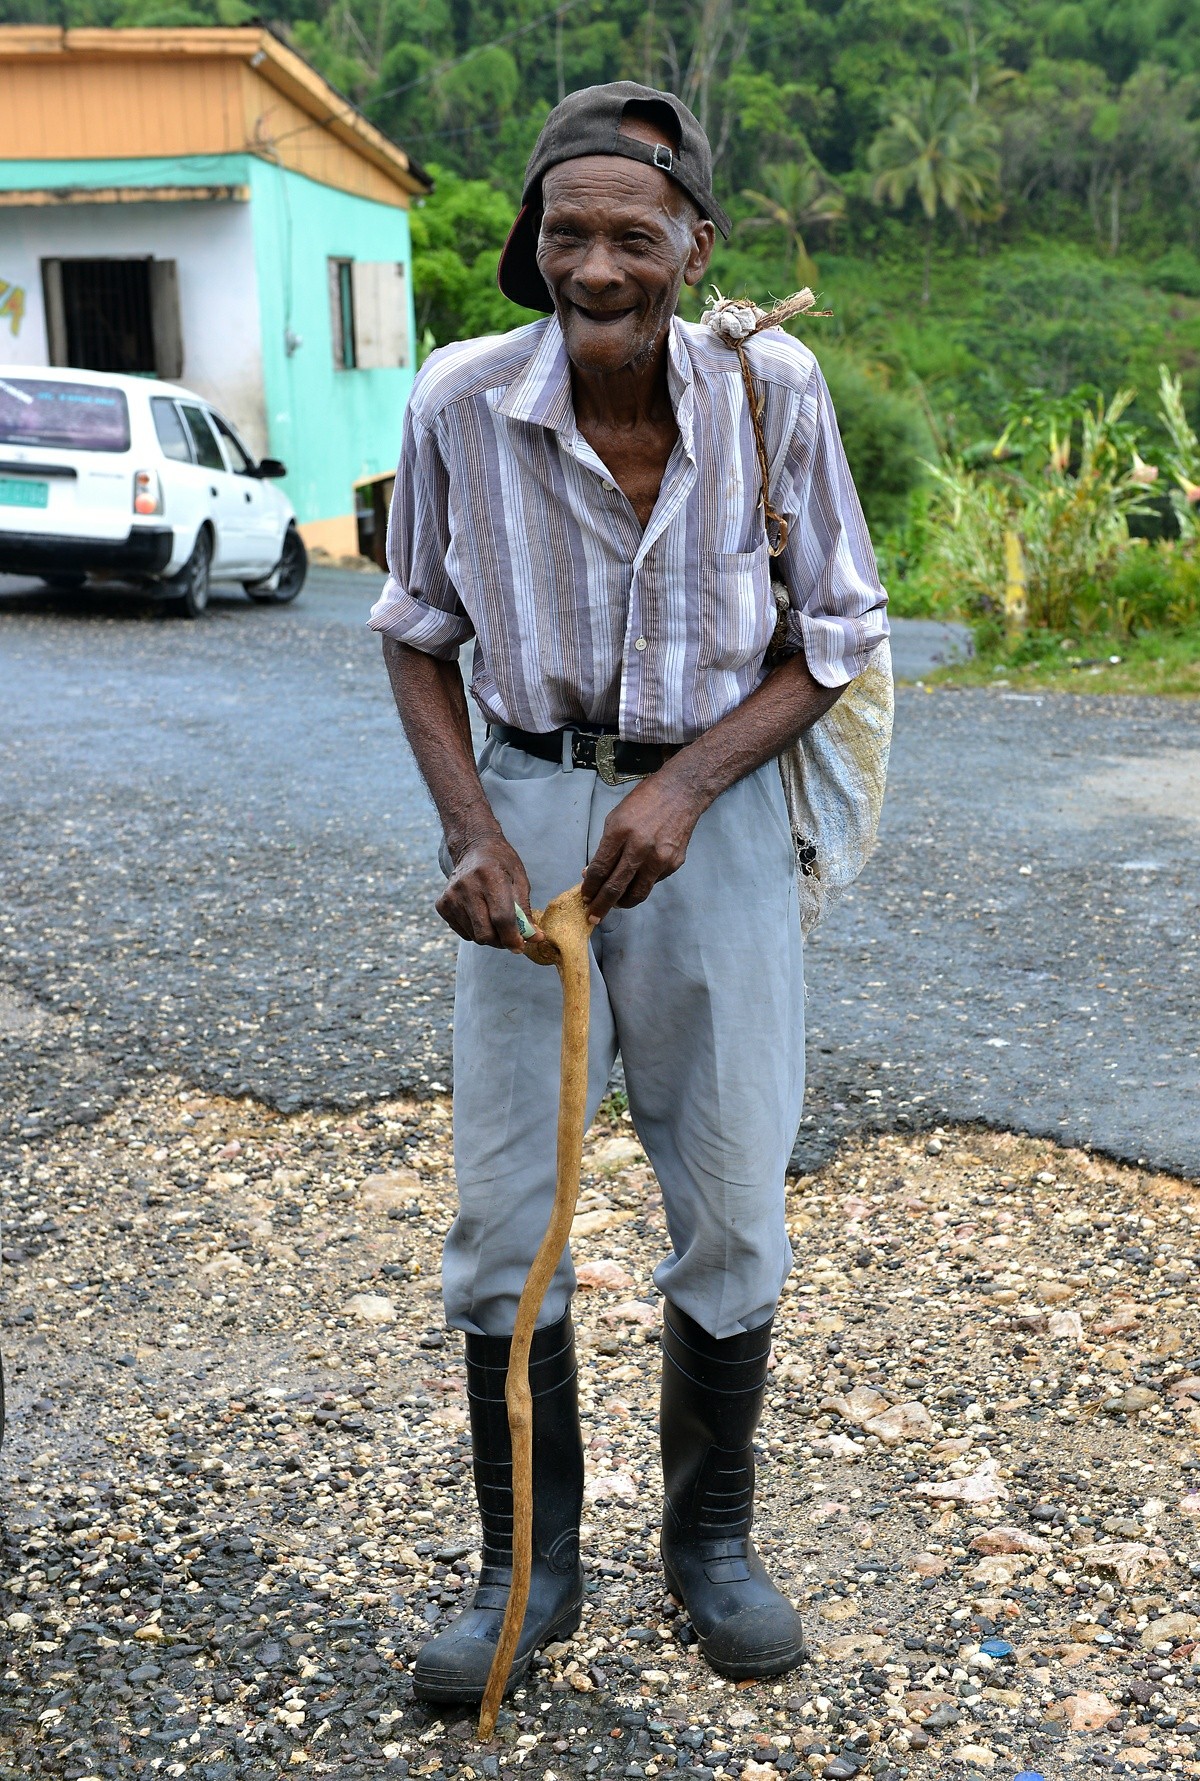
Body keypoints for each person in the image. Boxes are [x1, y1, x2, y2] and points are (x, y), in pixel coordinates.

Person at [371, 81, 888, 1707]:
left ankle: (710, 1547)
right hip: (525, 814)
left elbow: (839, 639)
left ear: (696, 243)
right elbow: (411, 627)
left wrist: (680, 782)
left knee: (733, 1196)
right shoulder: (461, 402)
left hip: (714, 813)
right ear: (531, 241)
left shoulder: (773, 389)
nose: (599, 266)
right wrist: (472, 829)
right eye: (567, 231)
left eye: (634, 232)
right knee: (504, 1216)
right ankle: (529, 1563)